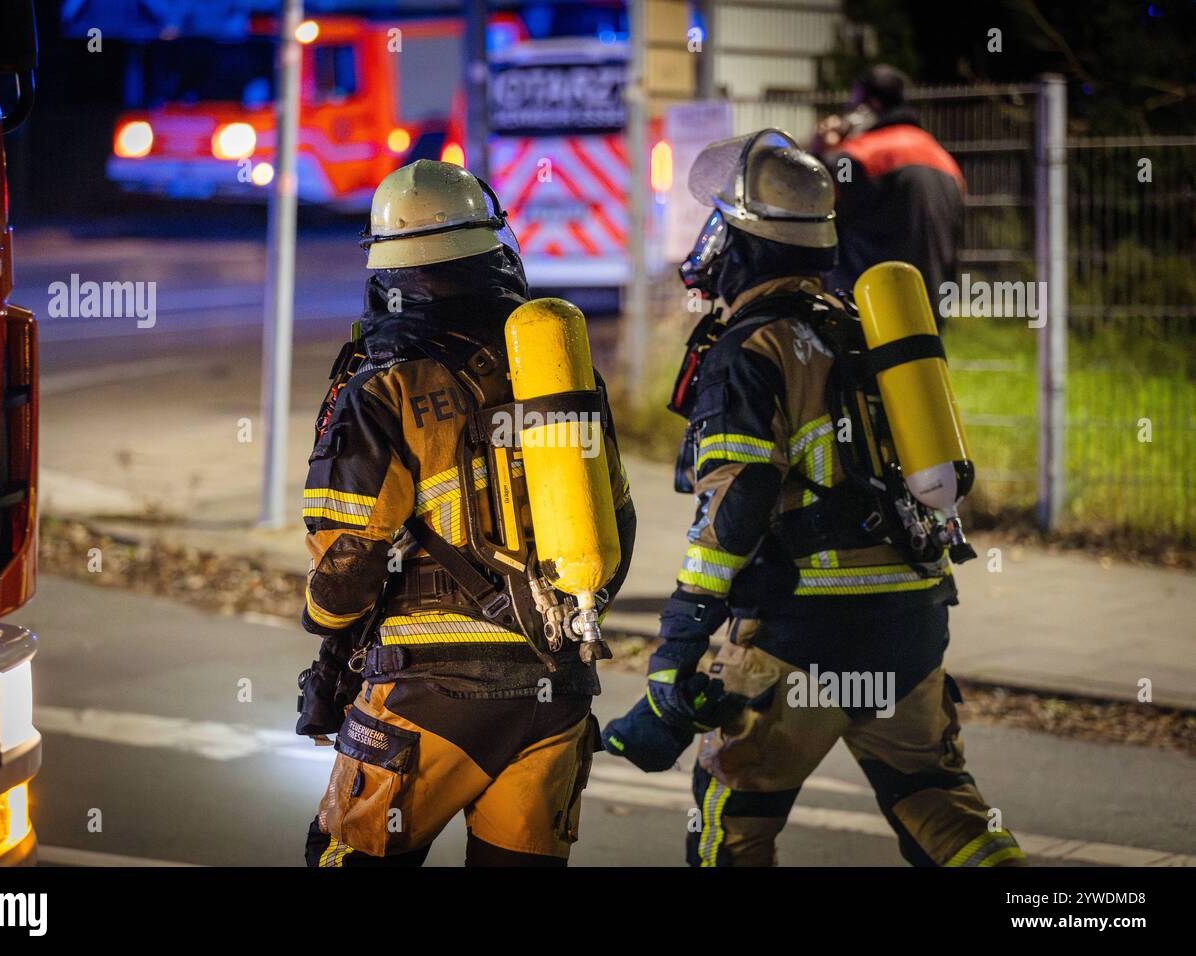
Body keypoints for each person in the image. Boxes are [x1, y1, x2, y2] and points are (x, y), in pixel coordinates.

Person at [602, 131, 1026, 868]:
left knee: (733, 816)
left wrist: (677, 642)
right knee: (938, 803)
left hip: (800, 632)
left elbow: (739, 501)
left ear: (742, 244)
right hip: (911, 618)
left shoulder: (748, 349)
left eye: (718, 226)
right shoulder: (863, 330)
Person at [299, 159, 636, 867]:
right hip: (557, 687)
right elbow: (616, 524)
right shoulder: (563, 379)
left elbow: (347, 568)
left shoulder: (383, 387)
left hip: (429, 696)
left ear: (390, 273)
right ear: (497, 255)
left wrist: (326, 631)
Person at [812, 65, 965, 326]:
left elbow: (813, 189)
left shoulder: (860, 154)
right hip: (929, 309)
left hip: (871, 311)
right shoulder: (944, 160)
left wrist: (822, 147)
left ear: (870, 104)